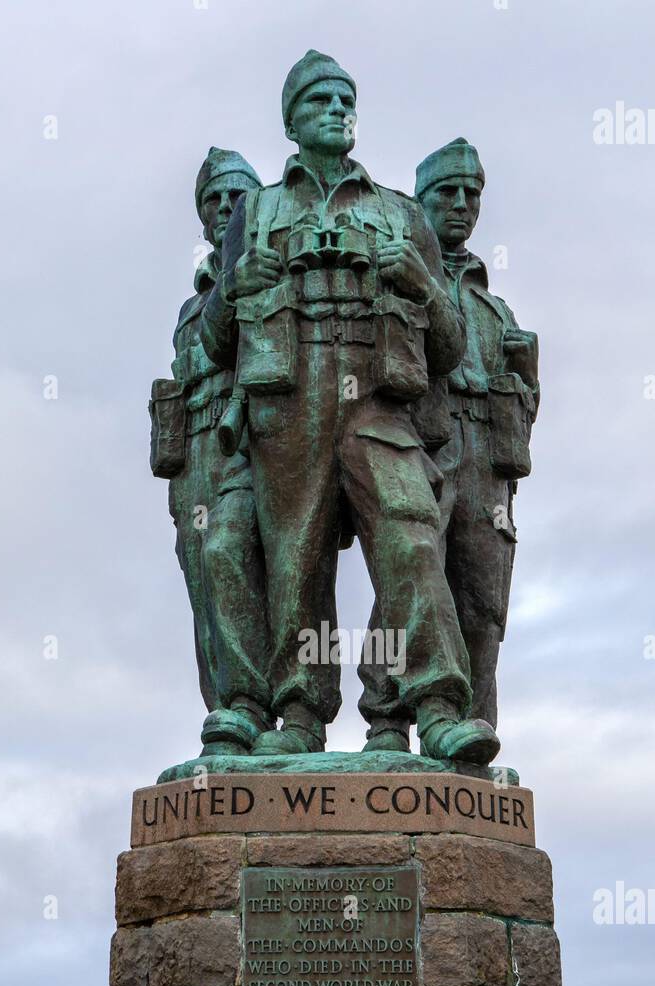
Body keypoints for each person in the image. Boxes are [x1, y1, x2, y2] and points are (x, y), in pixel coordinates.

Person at [200, 53, 500, 765]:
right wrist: (235, 285)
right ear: (291, 120)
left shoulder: (398, 212)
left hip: (375, 405)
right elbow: (216, 344)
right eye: (320, 100)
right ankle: (300, 714)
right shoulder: (257, 210)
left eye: (346, 99)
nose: (337, 109)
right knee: (295, 564)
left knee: (410, 536)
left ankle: (435, 705)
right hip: (288, 406)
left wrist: (423, 284)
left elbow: (451, 351)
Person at [359, 138, 539, 742]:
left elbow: (527, 403)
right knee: (409, 580)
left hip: (489, 462)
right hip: (426, 446)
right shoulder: (397, 272)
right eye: (446, 192)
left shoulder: (496, 309)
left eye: (472, 194)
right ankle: (387, 720)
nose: (461, 204)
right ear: (420, 200)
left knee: (483, 608)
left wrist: (526, 380)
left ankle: (474, 733)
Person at [149, 148, 274, 756]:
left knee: (246, 563)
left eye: (235, 195)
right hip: (193, 451)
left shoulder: (268, 271)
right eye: (213, 199)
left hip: (251, 440)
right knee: (204, 587)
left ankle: (267, 708)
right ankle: (227, 715)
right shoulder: (191, 303)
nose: (225, 207)